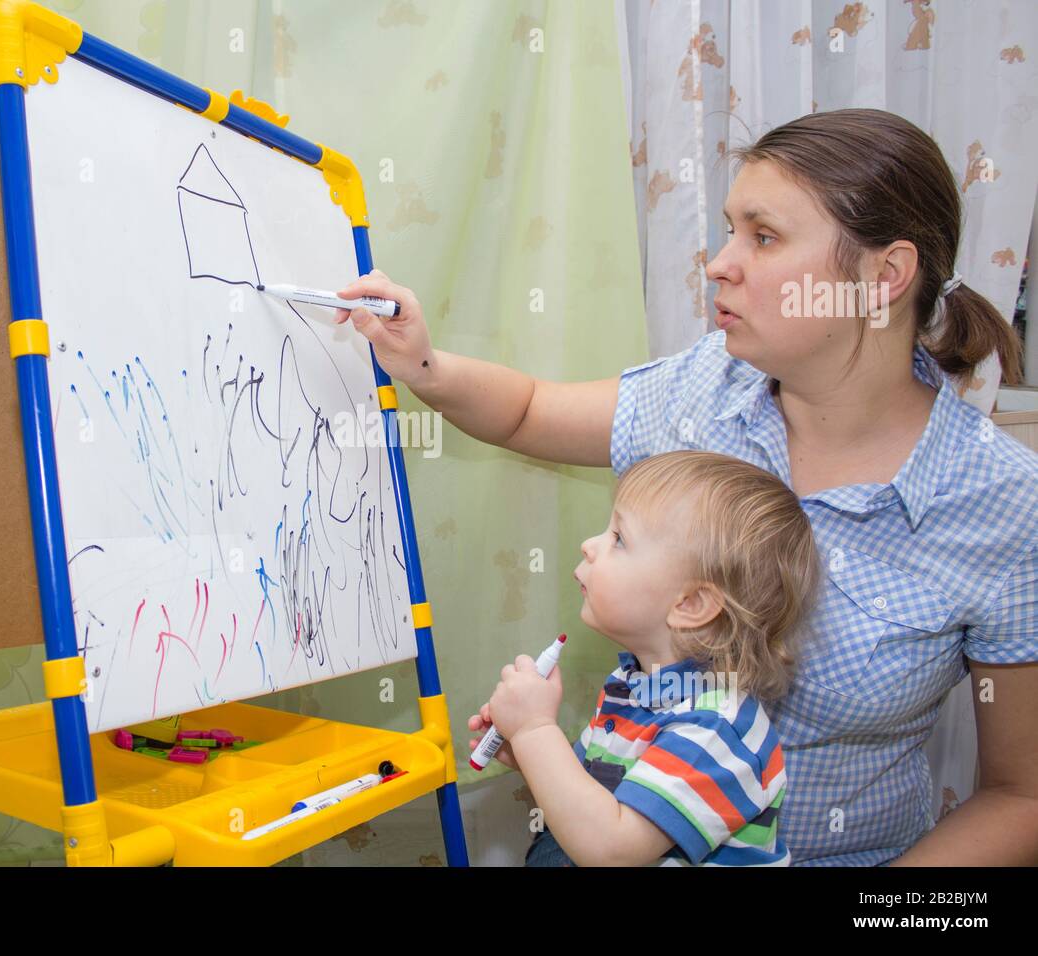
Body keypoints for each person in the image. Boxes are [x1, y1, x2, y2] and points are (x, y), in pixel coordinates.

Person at [333, 108, 1038, 866]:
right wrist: (422, 364)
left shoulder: (1002, 503)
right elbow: (531, 411)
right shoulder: (707, 386)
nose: (720, 264)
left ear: (882, 277)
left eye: (763, 237)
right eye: (731, 229)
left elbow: (1021, 797)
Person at [468, 450, 821, 866]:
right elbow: (591, 796)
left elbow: (611, 850)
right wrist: (532, 755)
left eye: (619, 538)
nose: (589, 545)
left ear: (689, 603)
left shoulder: (715, 731)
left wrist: (533, 730)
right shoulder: (633, 683)